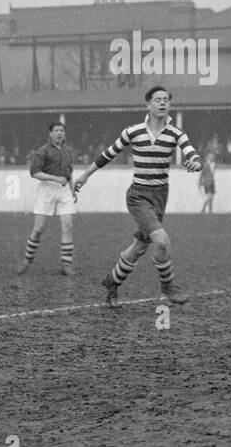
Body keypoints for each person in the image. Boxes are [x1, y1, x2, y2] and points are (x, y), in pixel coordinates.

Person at [73, 85, 202, 307]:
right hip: (138, 195)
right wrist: (85, 175)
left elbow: (192, 153)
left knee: (140, 247)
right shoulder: (133, 132)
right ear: (148, 105)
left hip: (160, 196)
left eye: (166, 100)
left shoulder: (176, 133)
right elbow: (108, 154)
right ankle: (168, 286)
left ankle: (112, 282)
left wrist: (195, 163)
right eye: (158, 99)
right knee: (161, 241)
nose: (163, 103)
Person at [16, 121, 76, 276]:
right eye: (56, 131)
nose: (59, 133)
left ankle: (66, 265)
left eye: (62, 130)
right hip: (47, 190)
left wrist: (72, 189)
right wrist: (55, 178)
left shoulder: (68, 150)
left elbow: (69, 172)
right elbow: (34, 172)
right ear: (50, 133)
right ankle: (27, 260)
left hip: (64, 192)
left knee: (68, 226)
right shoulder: (42, 151)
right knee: (38, 229)